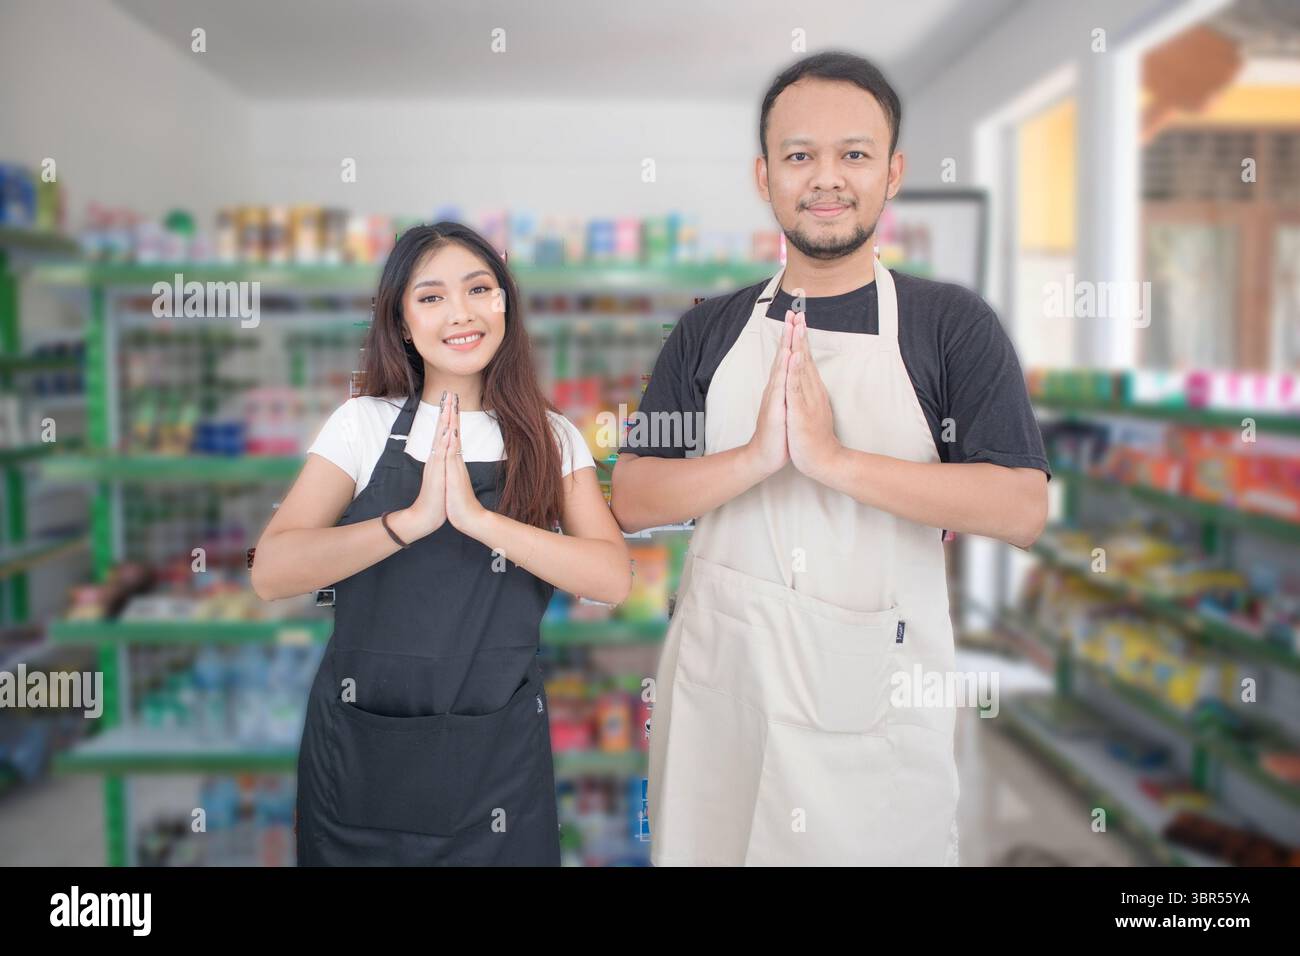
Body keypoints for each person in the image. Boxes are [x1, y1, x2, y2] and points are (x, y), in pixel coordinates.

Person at [612, 52, 1051, 866]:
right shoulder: (709, 330)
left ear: (893, 171)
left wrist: (835, 460)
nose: (827, 179)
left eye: (853, 154)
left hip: (871, 704)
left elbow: (1020, 507)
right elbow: (634, 496)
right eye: (799, 155)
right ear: (765, 174)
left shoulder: (948, 325)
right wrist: (755, 456)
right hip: (724, 687)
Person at [252, 222, 632, 865]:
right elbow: (272, 571)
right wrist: (412, 521)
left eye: (480, 288)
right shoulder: (362, 425)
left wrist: (482, 522)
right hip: (364, 755)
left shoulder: (552, 437)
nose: (461, 313)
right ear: (402, 322)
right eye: (430, 297)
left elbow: (611, 577)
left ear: (505, 303)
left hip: (498, 760)